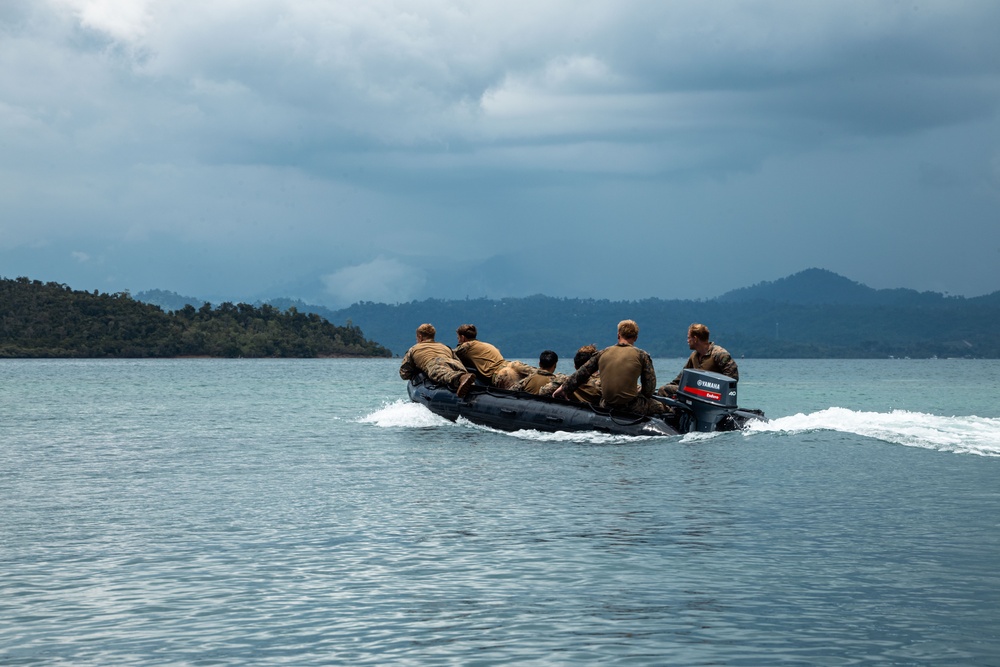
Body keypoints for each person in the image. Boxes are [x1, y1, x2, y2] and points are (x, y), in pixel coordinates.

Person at [553, 320, 664, 416]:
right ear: (636, 337)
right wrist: (642, 396)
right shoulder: (642, 355)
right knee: (661, 407)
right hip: (632, 406)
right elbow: (649, 389)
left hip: (607, 405)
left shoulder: (602, 353)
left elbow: (581, 374)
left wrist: (564, 389)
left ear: (618, 335)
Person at [657, 323, 739, 397]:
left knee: (663, 390)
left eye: (689, 338)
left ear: (695, 338)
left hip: (713, 395)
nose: (687, 341)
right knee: (664, 390)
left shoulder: (719, 354)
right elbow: (681, 379)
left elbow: (733, 378)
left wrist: (716, 390)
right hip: (697, 393)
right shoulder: (694, 356)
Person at [399, 323, 475, 397]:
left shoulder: (413, 349)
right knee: (457, 372)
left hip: (435, 363)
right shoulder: (445, 347)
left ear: (420, 336)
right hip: (454, 363)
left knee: (441, 374)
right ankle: (471, 386)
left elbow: (404, 373)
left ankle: (460, 378)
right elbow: (458, 360)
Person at [454, 324, 534, 389]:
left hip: (503, 373)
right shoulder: (487, 345)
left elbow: (450, 354)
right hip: (513, 365)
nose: (458, 340)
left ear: (462, 337)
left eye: (458, 338)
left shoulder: (466, 346)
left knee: (515, 397)